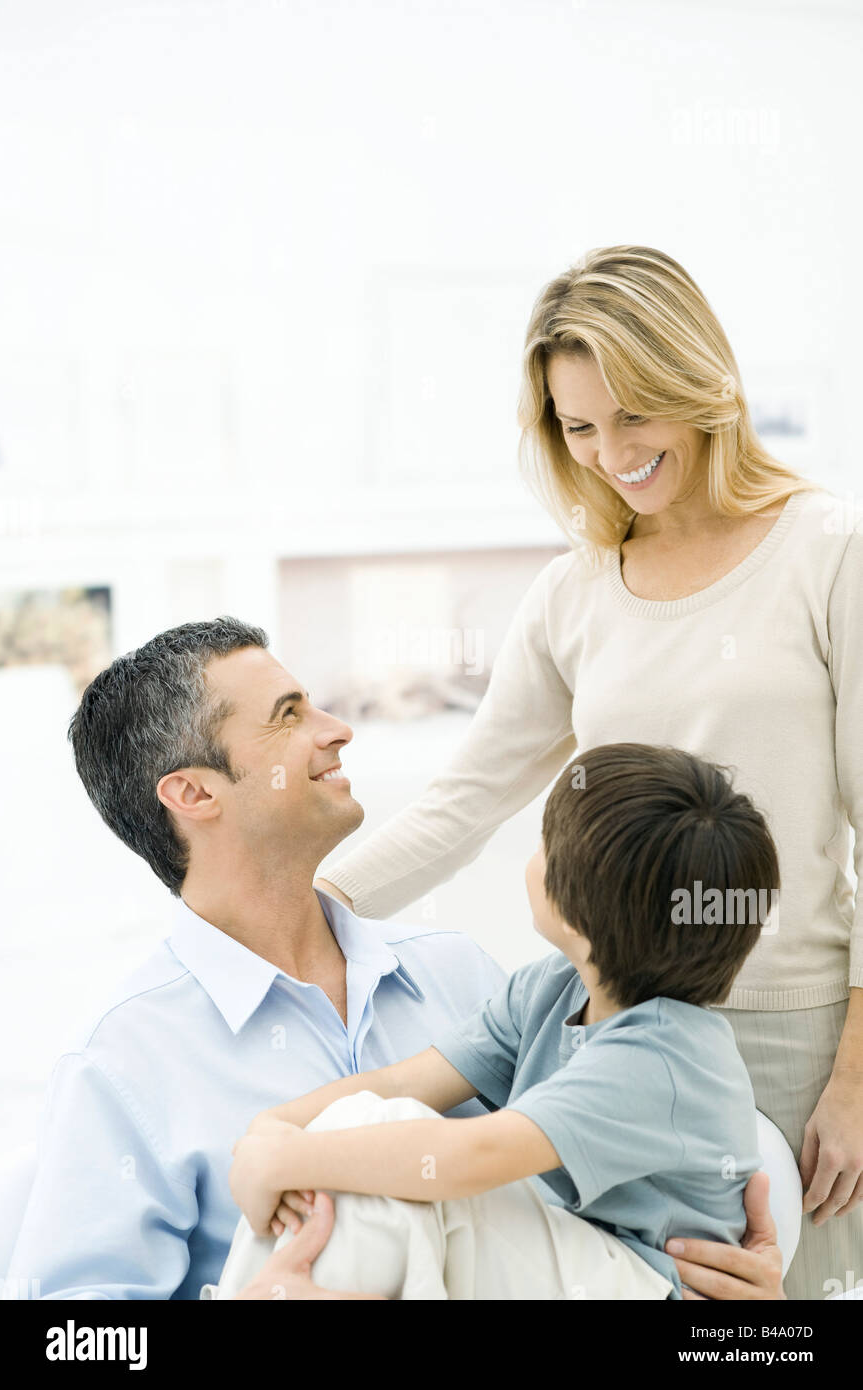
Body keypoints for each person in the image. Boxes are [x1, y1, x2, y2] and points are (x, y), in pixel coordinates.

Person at [317, 245, 863, 1300]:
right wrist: (307, 906)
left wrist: (858, 1075)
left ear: (698, 385)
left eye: (633, 414)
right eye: (578, 427)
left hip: (800, 1037)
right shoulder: (573, 595)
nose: (611, 453)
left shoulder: (828, 551)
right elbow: (465, 799)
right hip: (625, 1038)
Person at [7, 618, 783, 1300]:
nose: (339, 727)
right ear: (194, 794)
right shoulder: (120, 1063)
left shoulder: (462, 975)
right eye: (289, 716)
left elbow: (570, 1224)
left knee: (366, 1125)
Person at [214, 743, 777, 1301]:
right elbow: (402, 1082)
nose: (534, 856)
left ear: (580, 921)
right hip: (566, 1257)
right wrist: (268, 1132)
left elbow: (471, 1158)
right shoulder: (554, 987)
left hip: (643, 1279)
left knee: (368, 1150)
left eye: (545, 846)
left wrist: (286, 1157)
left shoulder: (664, 1055)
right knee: (361, 1127)